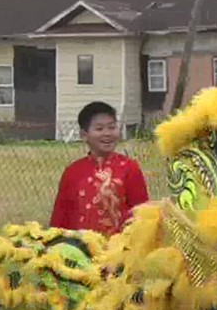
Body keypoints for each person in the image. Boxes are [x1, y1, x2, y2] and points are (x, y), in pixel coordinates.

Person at [49, 101, 150, 235]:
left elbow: (143, 213)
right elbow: (60, 219)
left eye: (111, 127)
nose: (107, 133)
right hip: (81, 249)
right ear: (84, 135)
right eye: (99, 129)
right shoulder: (73, 172)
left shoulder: (129, 168)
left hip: (121, 250)